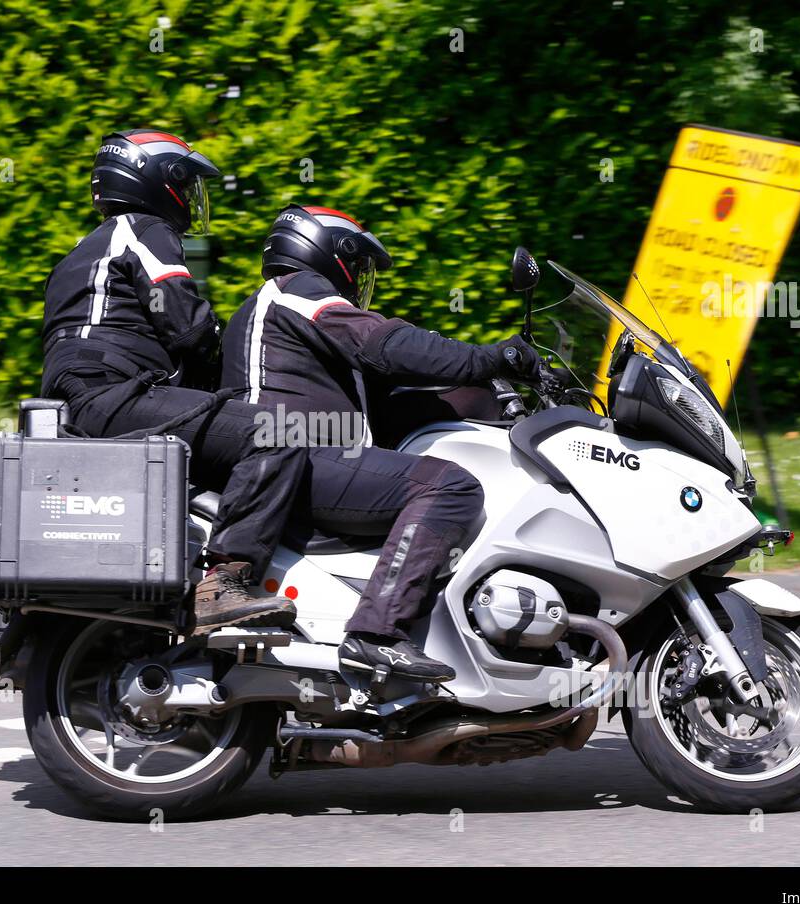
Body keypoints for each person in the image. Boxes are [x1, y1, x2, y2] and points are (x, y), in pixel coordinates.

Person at [222, 205, 560, 682]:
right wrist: (492, 357)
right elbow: (389, 345)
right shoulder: (296, 293)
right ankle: (376, 635)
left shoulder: (293, 320)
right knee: (449, 488)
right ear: (330, 253)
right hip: (296, 461)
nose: (361, 281)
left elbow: (396, 393)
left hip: (301, 459)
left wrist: (490, 401)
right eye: (359, 265)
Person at [41, 130, 306, 633]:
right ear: (154, 182)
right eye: (184, 187)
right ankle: (223, 583)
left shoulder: (83, 249)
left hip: (83, 399)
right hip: (112, 392)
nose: (188, 200)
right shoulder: (143, 228)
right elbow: (184, 322)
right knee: (277, 433)